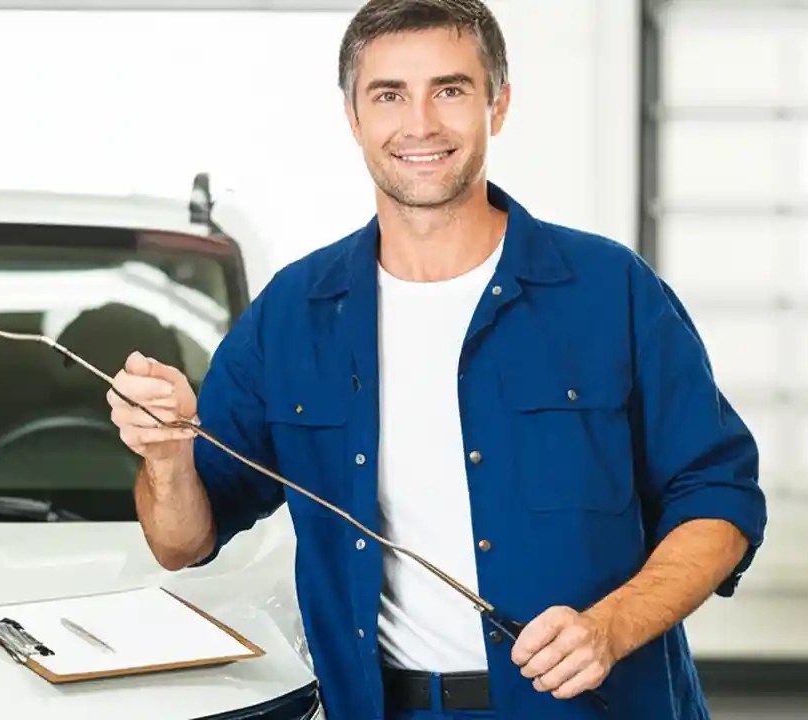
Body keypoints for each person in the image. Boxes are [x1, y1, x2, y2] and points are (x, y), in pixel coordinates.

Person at [107, 1, 767, 718]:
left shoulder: (611, 291)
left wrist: (612, 627)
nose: (419, 124)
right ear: (354, 117)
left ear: (498, 105)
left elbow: (720, 499)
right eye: (389, 95)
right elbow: (182, 543)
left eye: (449, 90)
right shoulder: (293, 315)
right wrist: (166, 458)